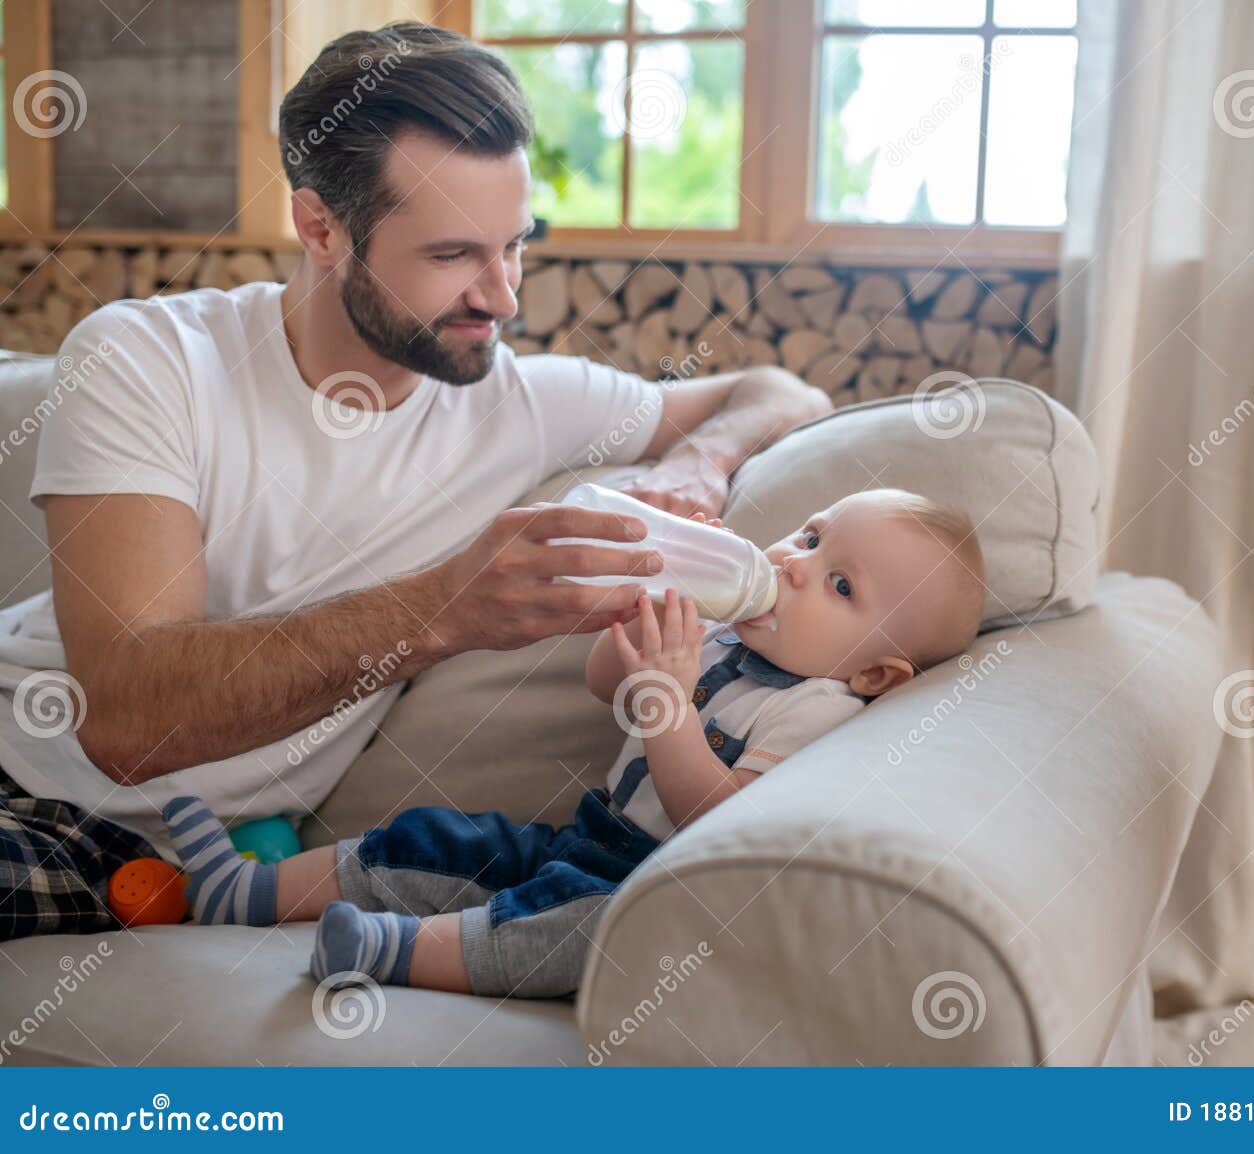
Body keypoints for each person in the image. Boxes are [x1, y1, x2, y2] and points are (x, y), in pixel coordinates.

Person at [0, 22, 829, 941]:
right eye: (452, 256)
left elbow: (777, 387)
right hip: (27, 783)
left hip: (167, 863)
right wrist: (447, 608)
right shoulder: (148, 361)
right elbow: (125, 719)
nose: (504, 296)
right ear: (321, 227)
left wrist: (696, 460)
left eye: (516, 244)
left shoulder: (522, 400)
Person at [157, 491, 987, 999]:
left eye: (841, 584)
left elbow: (721, 817)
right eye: (809, 537)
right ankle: (246, 890)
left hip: (649, 885)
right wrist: (647, 611)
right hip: (582, 832)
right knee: (433, 840)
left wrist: (668, 700)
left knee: (554, 928)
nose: (798, 566)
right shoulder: (728, 637)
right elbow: (603, 683)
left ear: (877, 673)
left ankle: (393, 951)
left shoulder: (818, 708)